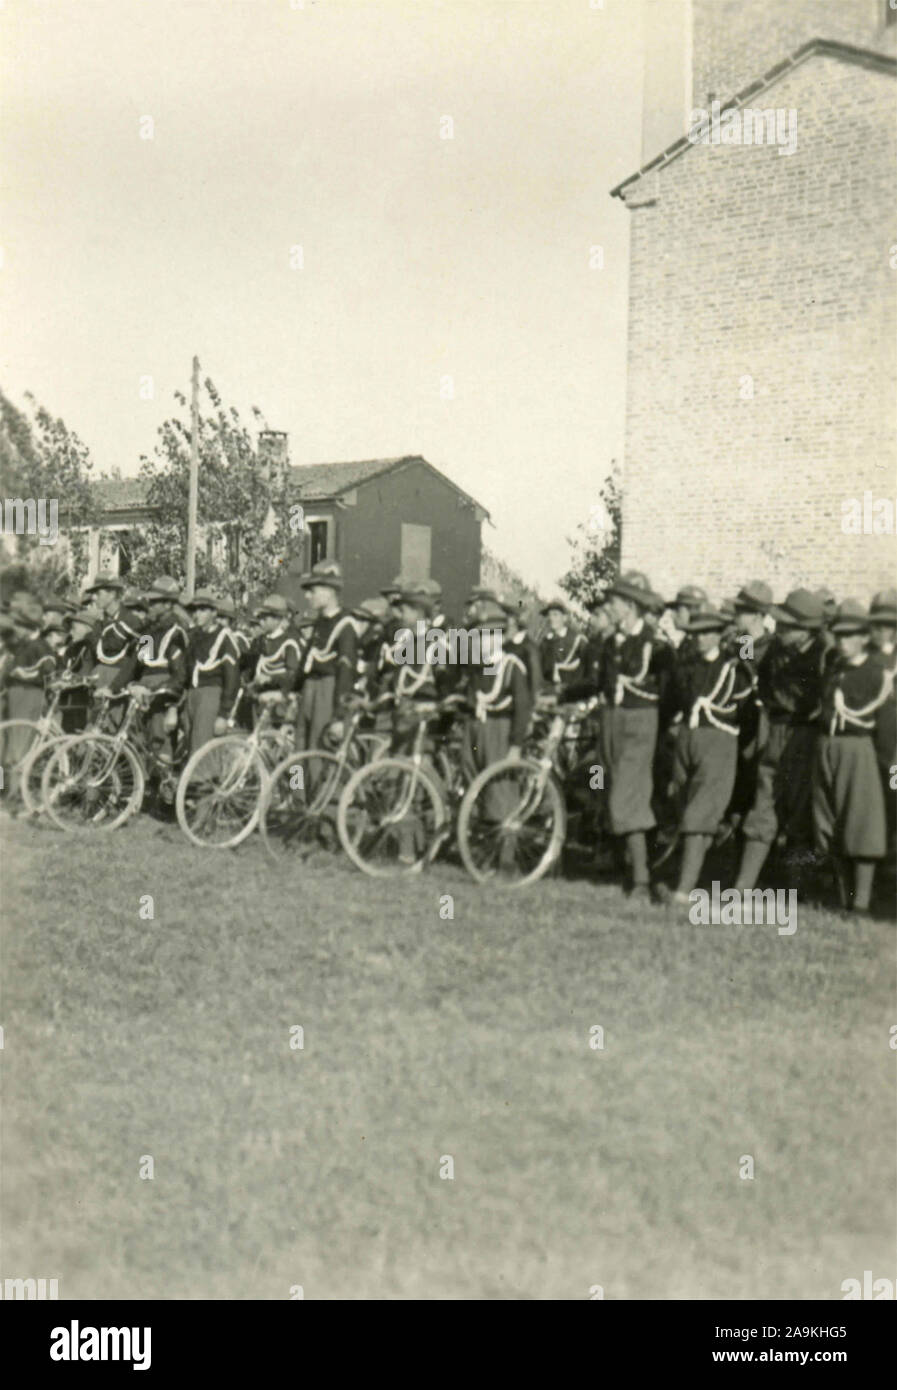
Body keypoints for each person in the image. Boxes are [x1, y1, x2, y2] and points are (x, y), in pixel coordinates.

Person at [733, 589, 830, 891]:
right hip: (773, 729)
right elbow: (747, 665)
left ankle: (796, 888)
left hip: (805, 734)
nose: (780, 629)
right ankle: (742, 888)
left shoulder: (824, 656)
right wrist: (746, 635)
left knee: (799, 812)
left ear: (807, 631)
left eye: (788, 626)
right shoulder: (773, 649)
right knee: (763, 806)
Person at [656, 605, 753, 905]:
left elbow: (748, 716)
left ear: (719, 636)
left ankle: (684, 890)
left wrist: (737, 749)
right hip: (687, 740)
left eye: (707, 633)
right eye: (696, 633)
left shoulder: (734, 670)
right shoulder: (685, 667)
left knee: (699, 815)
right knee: (684, 806)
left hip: (719, 741)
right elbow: (670, 705)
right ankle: (695, 874)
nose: (700, 639)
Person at [813, 599, 891, 913]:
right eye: (839, 635)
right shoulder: (833, 665)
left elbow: (884, 725)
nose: (842, 642)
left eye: (849, 635)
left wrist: (887, 766)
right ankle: (841, 897)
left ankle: (860, 902)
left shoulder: (876, 673)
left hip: (859, 748)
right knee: (828, 820)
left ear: (863, 637)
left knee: (861, 823)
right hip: (827, 744)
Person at [599, 570, 667, 897]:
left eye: (613, 602)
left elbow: (672, 691)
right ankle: (629, 868)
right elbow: (601, 683)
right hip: (612, 719)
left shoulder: (655, 644)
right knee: (616, 790)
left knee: (626, 796)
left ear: (628, 605)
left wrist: (661, 725)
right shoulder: (612, 641)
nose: (608, 608)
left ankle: (641, 879)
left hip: (642, 722)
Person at [294, 562, 357, 750]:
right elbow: (305, 661)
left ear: (329, 591)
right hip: (309, 688)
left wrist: (339, 715)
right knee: (300, 744)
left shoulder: (346, 625)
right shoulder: (320, 623)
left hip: (328, 690)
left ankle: (319, 781)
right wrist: (289, 691)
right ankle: (296, 781)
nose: (307, 596)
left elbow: (346, 670)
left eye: (312, 591)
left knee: (318, 747)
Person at [183, 588, 240, 753]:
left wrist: (223, 713)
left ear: (214, 612)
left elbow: (232, 677)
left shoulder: (224, 637)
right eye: (195, 610)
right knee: (191, 744)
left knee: (203, 748)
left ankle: (203, 779)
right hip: (192, 694)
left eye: (202, 610)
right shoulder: (194, 636)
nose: (197, 614)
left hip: (211, 694)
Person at [868, 588, 897, 852]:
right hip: (871, 747)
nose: (878, 631)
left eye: (886, 626)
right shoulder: (866, 657)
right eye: (875, 625)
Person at [539, 598, 585, 691]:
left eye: (555, 615)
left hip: (571, 690)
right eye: (549, 615)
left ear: (565, 618)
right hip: (549, 690)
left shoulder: (577, 639)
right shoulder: (546, 641)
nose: (551, 618)